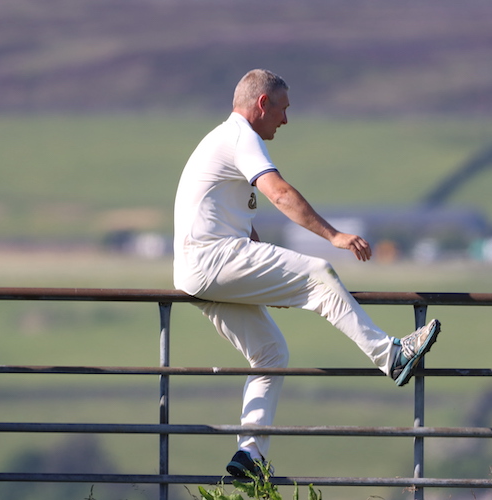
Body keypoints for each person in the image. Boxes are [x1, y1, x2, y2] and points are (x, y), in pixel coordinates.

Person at [172, 68, 441, 478]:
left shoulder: (223, 138)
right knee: (319, 272)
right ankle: (393, 356)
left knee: (270, 353)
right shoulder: (242, 136)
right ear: (263, 104)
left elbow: (234, 220)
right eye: (282, 109)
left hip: (198, 269)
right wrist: (332, 235)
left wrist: (267, 271)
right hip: (212, 261)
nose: (285, 120)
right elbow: (278, 193)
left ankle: (250, 454)